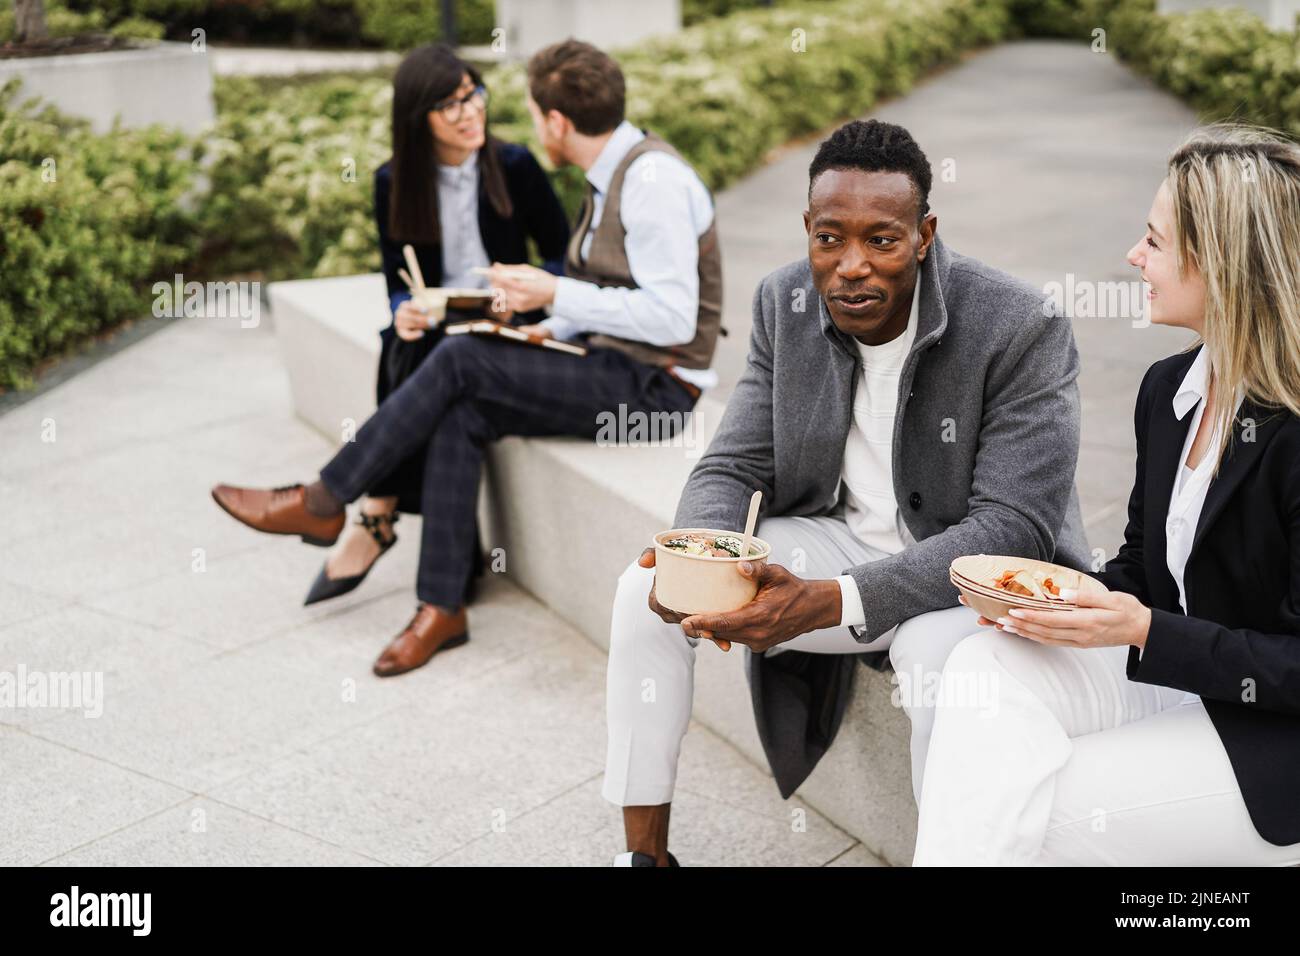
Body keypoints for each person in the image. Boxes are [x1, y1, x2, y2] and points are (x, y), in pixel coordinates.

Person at [601, 119, 1090, 866]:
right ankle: (645, 856)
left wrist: (832, 601)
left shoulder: (1020, 323)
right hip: (839, 542)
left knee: (935, 656)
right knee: (644, 590)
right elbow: (732, 464)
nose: (850, 267)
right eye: (830, 238)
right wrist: (696, 556)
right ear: (807, 229)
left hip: (975, 581)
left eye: (882, 240)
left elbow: (1014, 527)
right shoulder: (783, 303)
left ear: (924, 235)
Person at [211, 39, 723, 678]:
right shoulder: (614, 175)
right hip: (609, 361)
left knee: (460, 359)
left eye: (535, 116)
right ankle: (441, 606)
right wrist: (544, 323)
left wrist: (552, 293)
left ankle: (325, 499)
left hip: (658, 390)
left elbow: (673, 317)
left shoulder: (652, 182)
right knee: (462, 406)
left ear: (556, 122)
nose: (524, 127)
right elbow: (613, 292)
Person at [912, 124, 1300, 865]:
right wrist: (1049, 603)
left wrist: (1146, 631)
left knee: (1038, 812)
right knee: (975, 669)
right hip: (1184, 678)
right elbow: (1144, 571)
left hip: (1274, 734)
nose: (1132, 256)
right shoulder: (1168, 391)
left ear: (1221, 263)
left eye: (1153, 242)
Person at [305, 43, 570, 607]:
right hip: (440, 325)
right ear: (417, 117)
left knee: (420, 359)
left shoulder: (515, 165)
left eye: (473, 95)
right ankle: (446, 552)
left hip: (510, 322)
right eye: (450, 105)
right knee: (404, 341)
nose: (470, 112)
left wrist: (520, 287)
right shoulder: (393, 181)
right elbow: (397, 280)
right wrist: (404, 307)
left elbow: (564, 259)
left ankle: (373, 513)